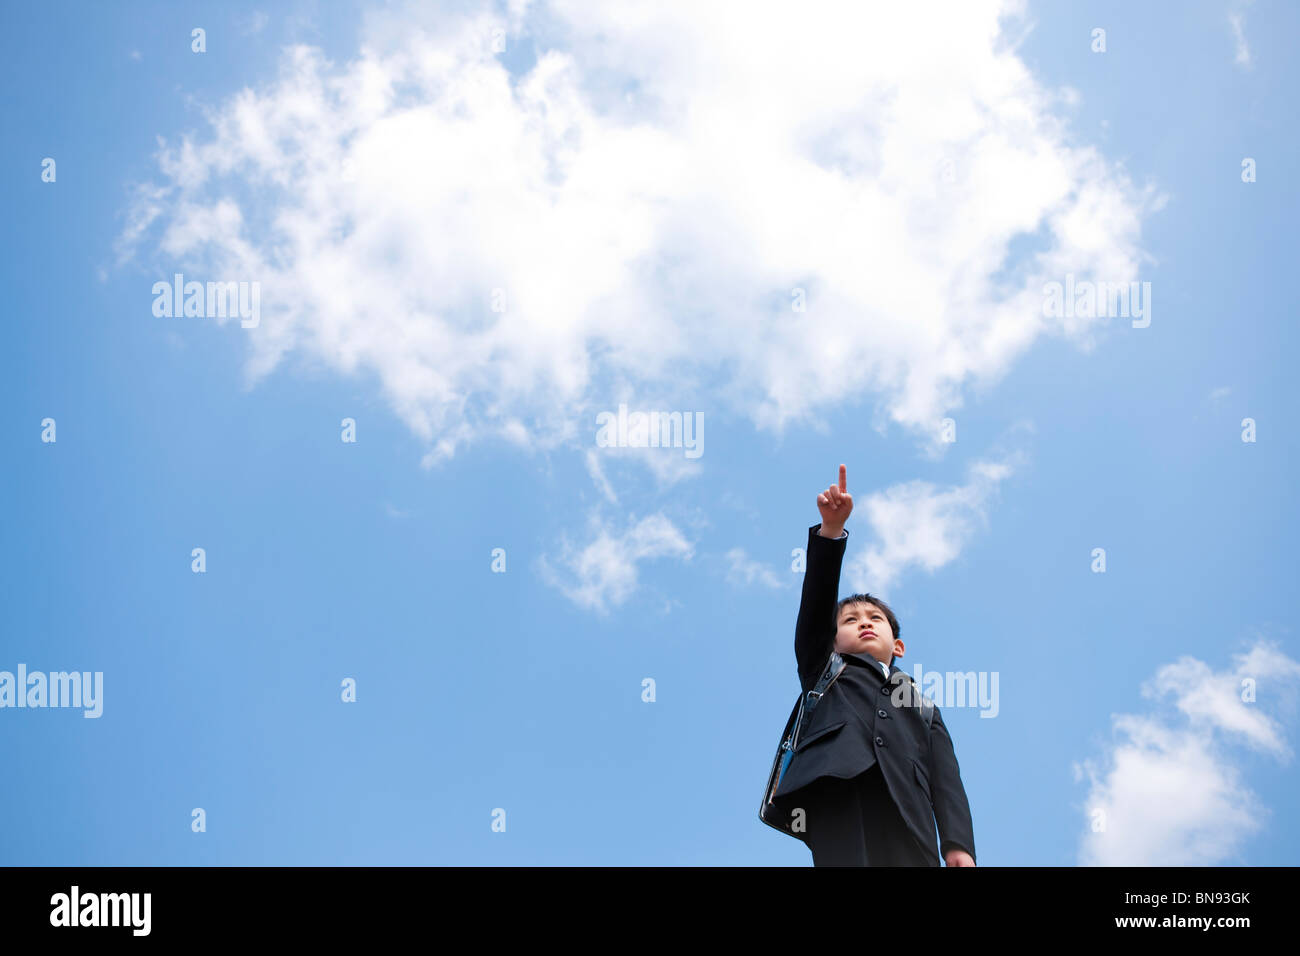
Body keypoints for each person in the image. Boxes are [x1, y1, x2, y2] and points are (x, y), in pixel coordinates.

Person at [770, 464, 977, 866]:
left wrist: (958, 845)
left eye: (874, 618)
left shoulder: (923, 705)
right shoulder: (824, 669)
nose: (864, 621)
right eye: (850, 620)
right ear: (832, 641)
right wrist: (831, 532)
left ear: (897, 645)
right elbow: (816, 607)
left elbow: (947, 778)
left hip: (910, 812)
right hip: (839, 789)